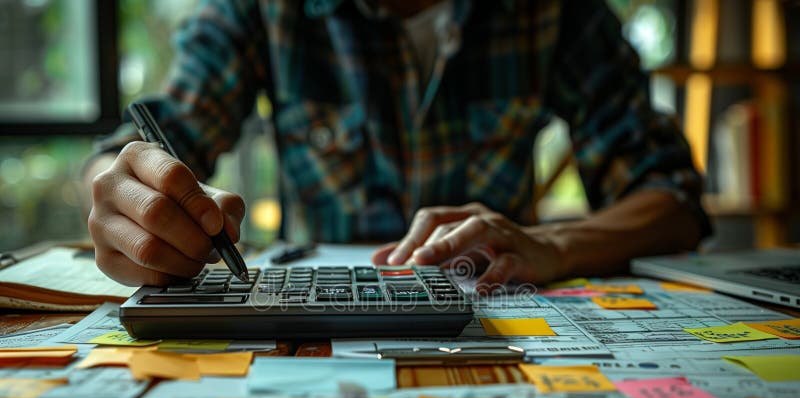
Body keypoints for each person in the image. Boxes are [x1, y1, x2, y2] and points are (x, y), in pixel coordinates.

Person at [84, 0, 711, 290]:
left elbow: (673, 198)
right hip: (309, 339)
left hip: (495, 309)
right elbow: (141, 147)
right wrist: (124, 197)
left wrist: (553, 243)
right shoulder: (256, 11)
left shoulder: (557, 13)